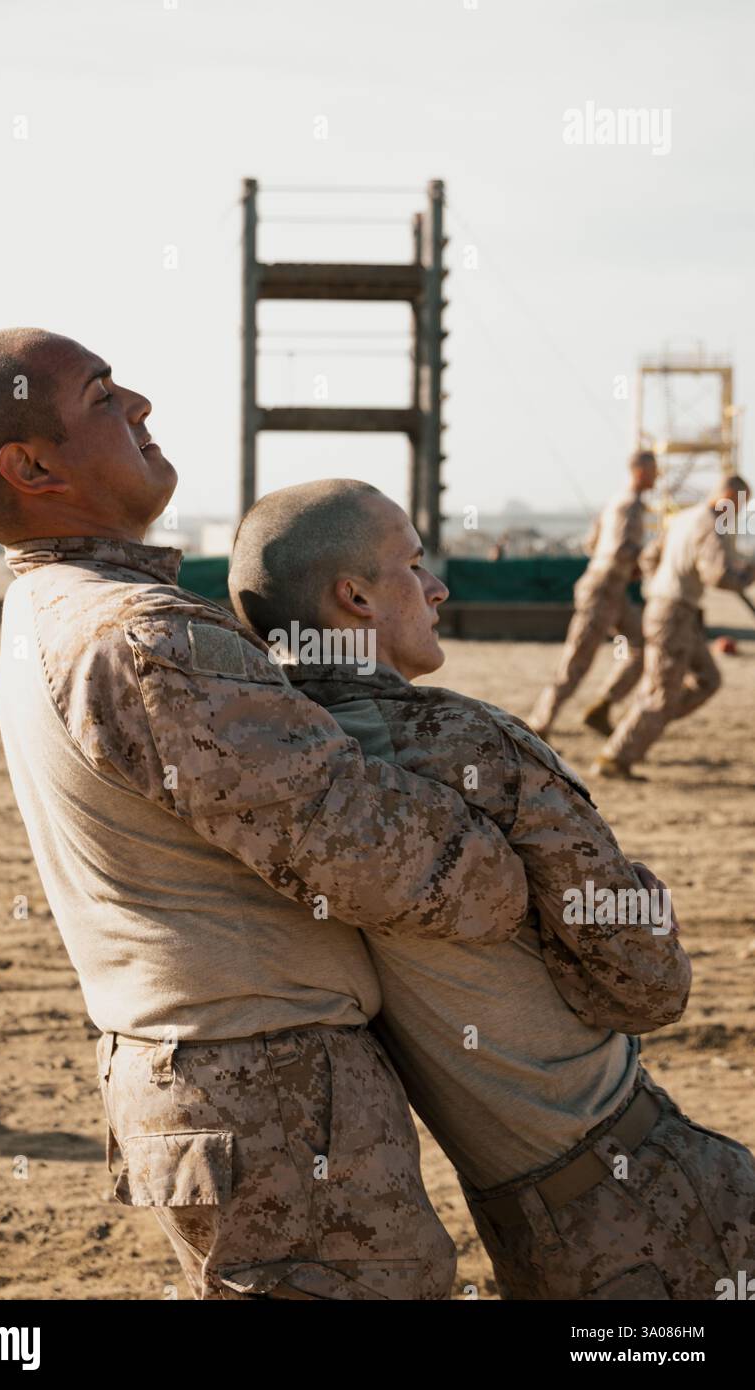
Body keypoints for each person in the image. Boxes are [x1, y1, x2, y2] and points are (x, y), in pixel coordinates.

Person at [0, 328, 533, 1302]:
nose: (142, 406)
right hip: (268, 1091)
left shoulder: (61, 605)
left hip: (226, 1082)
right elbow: (363, 849)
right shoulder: (144, 634)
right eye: (104, 397)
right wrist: (528, 859)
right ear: (31, 465)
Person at [229, 478, 755, 1300]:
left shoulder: (261, 763)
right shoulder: (472, 746)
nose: (438, 587)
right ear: (355, 597)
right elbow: (650, 986)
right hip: (645, 1183)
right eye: (415, 565)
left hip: (522, 1218)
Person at [594, 476, 755, 779]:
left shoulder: (682, 518)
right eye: (740, 505)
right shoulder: (712, 523)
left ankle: (646, 726)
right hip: (674, 614)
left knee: (708, 678)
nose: (738, 513)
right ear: (729, 496)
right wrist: (747, 575)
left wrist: (656, 586)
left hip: (671, 609)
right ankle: (615, 757)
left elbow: (649, 556)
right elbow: (718, 575)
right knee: (661, 694)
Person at [529, 450, 657, 739]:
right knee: (576, 663)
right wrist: (648, 560)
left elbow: (591, 544)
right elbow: (624, 548)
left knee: (643, 648)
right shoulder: (632, 505)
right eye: (653, 471)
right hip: (603, 589)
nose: (657, 477)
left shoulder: (613, 502)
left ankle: (602, 707)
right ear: (640, 472)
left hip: (612, 588)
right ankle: (539, 724)